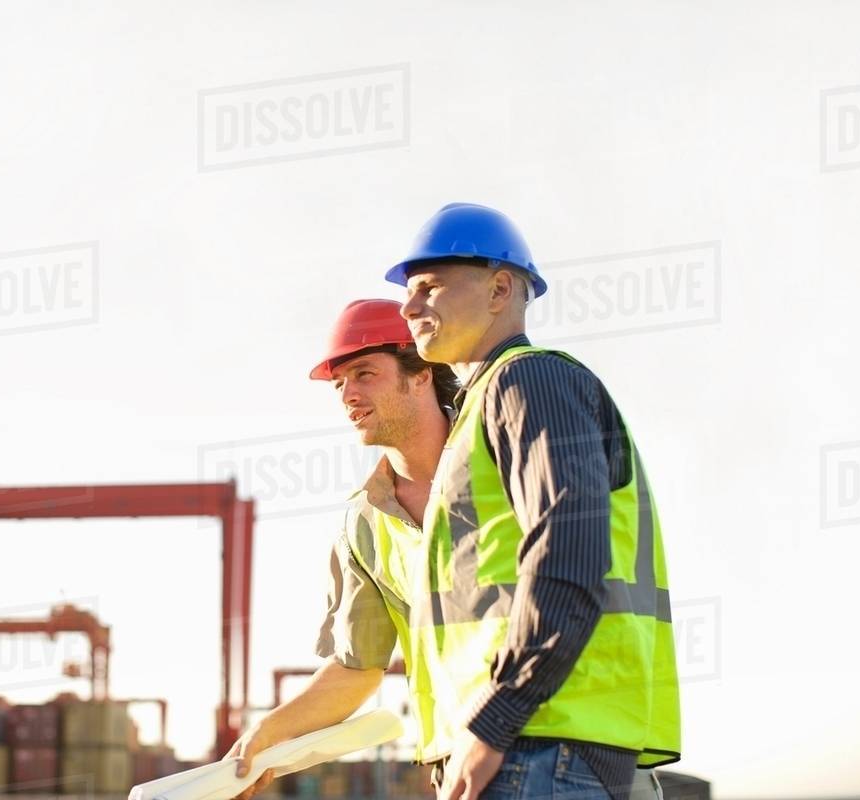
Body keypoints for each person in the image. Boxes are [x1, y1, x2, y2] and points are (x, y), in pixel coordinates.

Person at [388, 203, 681, 800]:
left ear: (500, 289)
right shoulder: (482, 404)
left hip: (539, 742)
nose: (408, 307)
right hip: (530, 739)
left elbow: (568, 550)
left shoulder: (528, 382)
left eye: (427, 287)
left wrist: (494, 718)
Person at [225, 299, 459, 800]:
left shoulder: (504, 460)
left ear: (422, 372)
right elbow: (357, 667)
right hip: (461, 763)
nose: (348, 395)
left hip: (566, 743)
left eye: (364, 374)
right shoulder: (366, 521)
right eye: (339, 384)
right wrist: (268, 736)